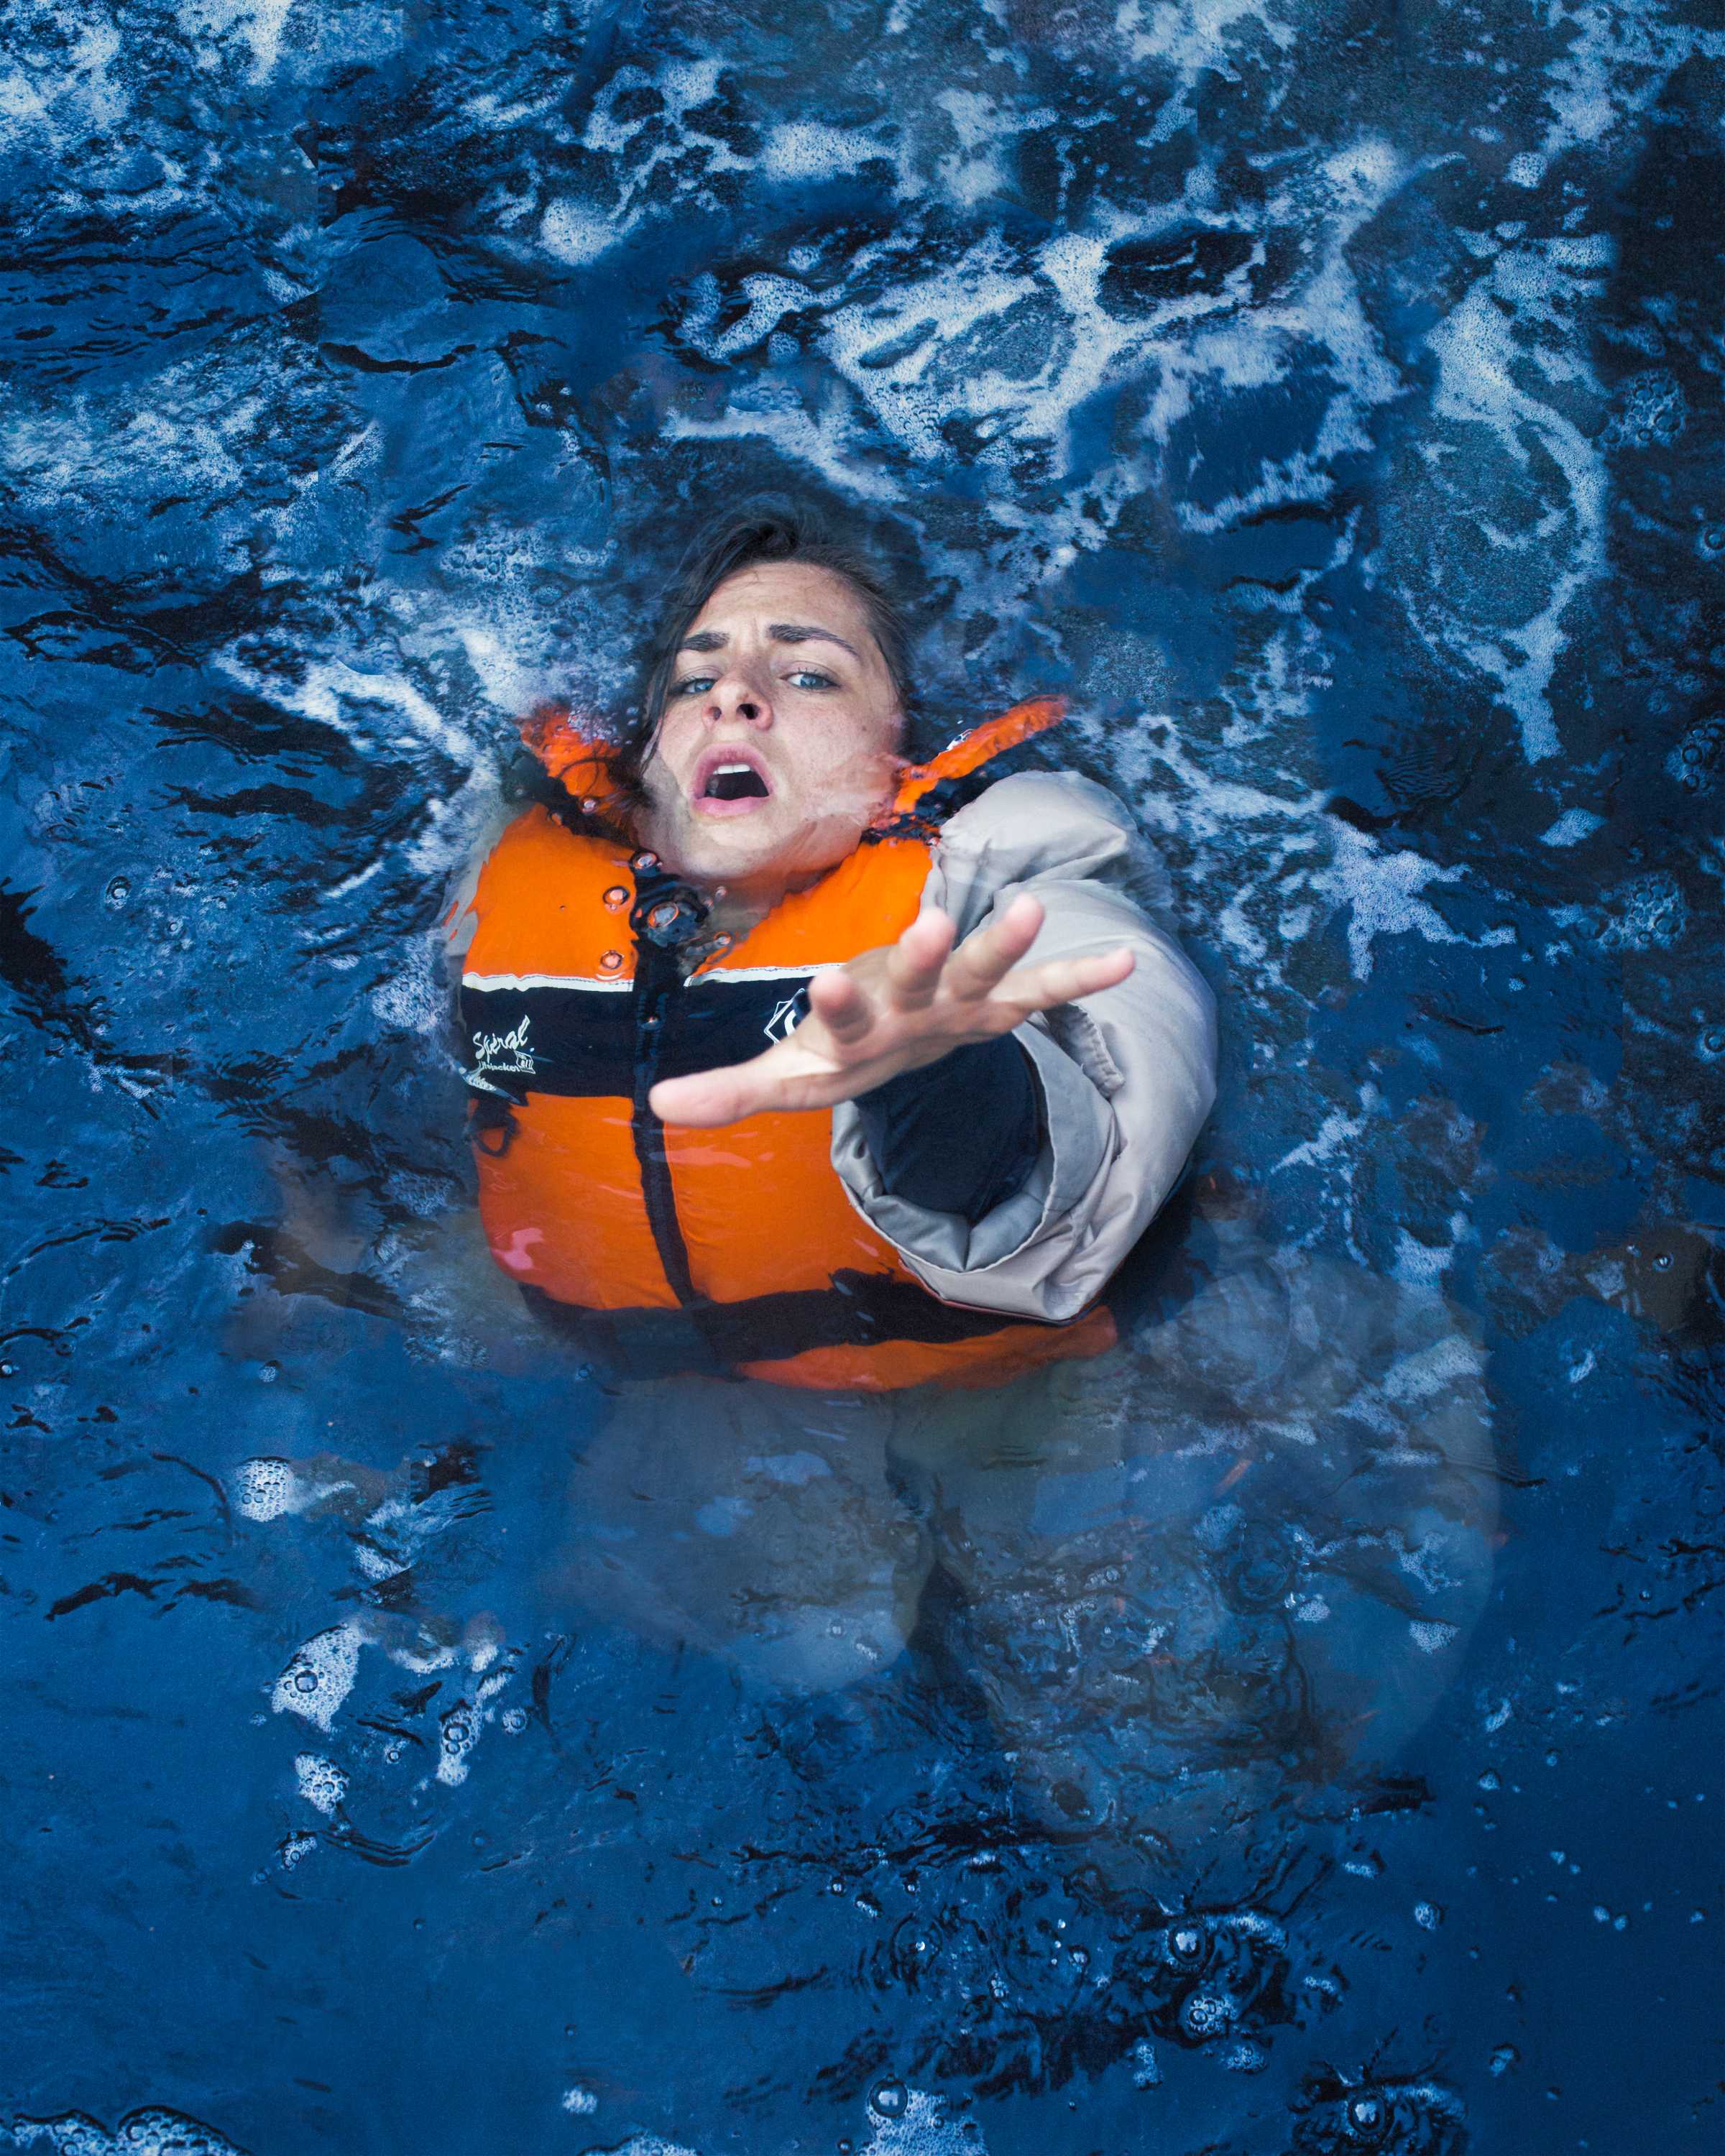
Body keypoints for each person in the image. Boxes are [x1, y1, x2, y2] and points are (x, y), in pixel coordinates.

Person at [443, 502, 1218, 1391]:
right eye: (693, 682)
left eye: (811, 676)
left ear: (899, 749)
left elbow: (1133, 1076)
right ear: (647, 765)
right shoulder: (509, 867)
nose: (733, 696)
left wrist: (936, 1071)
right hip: (640, 1390)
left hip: (999, 1391)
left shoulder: (1000, 874)